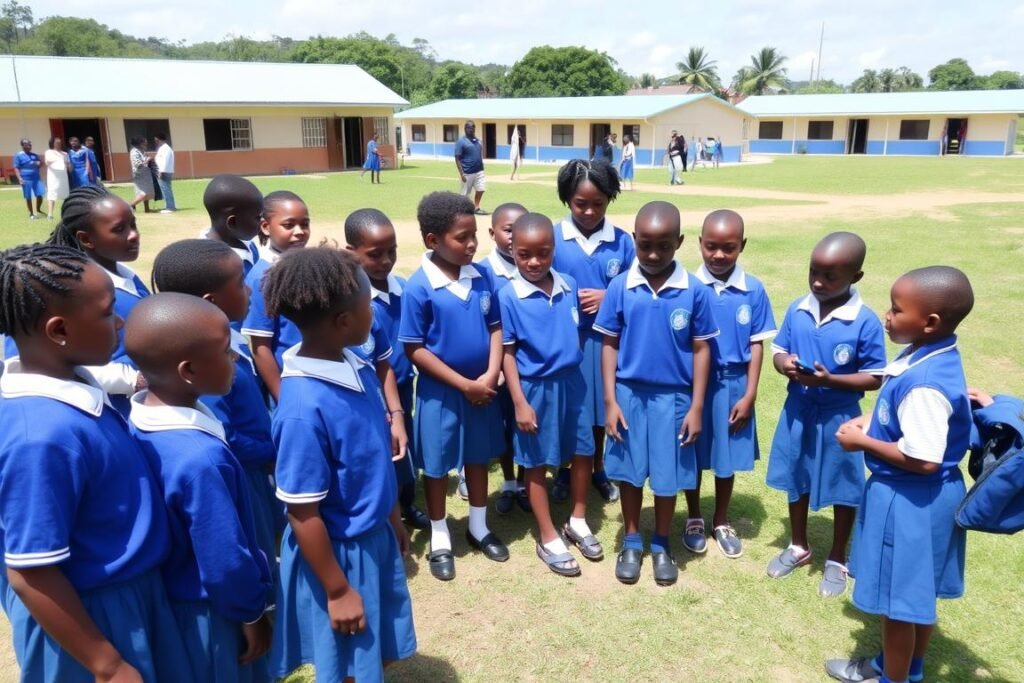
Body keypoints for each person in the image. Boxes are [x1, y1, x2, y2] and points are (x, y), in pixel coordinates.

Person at [0, 243, 188, 682]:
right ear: (60, 330)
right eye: (107, 314)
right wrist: (107, 664)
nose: (121, 321)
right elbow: (32, 571)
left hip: (131, 598)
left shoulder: (77, 388)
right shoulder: (41, 438)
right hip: (90, 619)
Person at [264, 247, 417, 681]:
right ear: (344, 322)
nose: (375, 311)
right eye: (368, 305)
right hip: (338, 555)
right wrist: (337, 589)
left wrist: (392, 517)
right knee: (348, 661)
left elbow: (372, 462)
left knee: (377, 648)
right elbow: (301, 510)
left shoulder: (355, 363)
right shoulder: (302, 407)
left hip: (373, 535)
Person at [826, 267, 975, 683]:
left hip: (910, 499)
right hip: (928, 496)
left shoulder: (926, 382)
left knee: (896, 606)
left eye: (896, 309)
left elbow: (923, 457)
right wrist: (871, 420)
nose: (887, 316)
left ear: (929, 322)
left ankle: (890, 678)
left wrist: (864, 443)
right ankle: (908, 670)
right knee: (917, 597)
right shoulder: (929, 353)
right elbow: (903, 409)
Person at [126, 293, 274, 682]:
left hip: (180, 605)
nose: (236, 359)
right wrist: (252, 613)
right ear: (188, 371)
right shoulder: (199, 459)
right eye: (226, 352)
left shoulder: (137, 422)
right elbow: (224, 557)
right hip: (213, 615)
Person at [150, 239, 284, 612]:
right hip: (244, 473)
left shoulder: (228, 340)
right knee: (253, 539)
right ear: (211, 301)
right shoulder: (204, 365)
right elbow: (225, 433)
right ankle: (260, 614)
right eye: (241, 284)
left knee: (267, 540)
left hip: (257, 469)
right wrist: (272, 449)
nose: (248, 289)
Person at [596, 201, 719, 586]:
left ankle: (662, 543)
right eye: (644, 245)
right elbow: (609, 345)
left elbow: (702, 348)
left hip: (674, 399)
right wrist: (611, 400)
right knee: (631, 475)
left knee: (667, 476)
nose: (652, 254)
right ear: (633, 239)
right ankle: (632, 540)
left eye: (663, 246)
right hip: (629, 394)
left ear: (679, 242)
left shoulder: (694, 291)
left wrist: (697, 406)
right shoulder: (621, 286)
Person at [766, 231, 887, 597]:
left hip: (840, 417)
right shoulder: (797, 309)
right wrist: (784, 363)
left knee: (844, 485)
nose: (818, 281)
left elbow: (874, 377)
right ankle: (798, 545)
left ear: (856, 277)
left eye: (830, 276)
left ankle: (837, 556)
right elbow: (778, 351)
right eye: (813, 272)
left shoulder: (863, 321)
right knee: (795, 474)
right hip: (798, 410)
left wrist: (830, 379)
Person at [398, 191, 508, 581]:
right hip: (442, 393)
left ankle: (478, 527)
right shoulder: (419, 287)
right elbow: (414, 348)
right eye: (462, 238)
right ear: (432, 241)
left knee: (477, 458)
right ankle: (441, 534)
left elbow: (496, 328)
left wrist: (492, 373)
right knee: (439, 465)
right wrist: (463, 384)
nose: (472, 244)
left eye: (474, 235)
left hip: (482, 389)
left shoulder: (483, 276)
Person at [500, 213, 602, 576]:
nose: (534, 262)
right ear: (512, 251)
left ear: (553, 251)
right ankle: (547, 535)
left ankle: (577, 518)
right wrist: (520, 402)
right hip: (535, 389)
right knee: (537, 460)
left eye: (543, 253)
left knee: (583, 450)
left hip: (573, 382)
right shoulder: (508, 295)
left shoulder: (570, 284)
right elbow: (507, 355)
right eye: (524, 254)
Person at [686, 210, 777, 558]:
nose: (719, 255)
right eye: (711, 247)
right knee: (691, 453)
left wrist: (751, 393)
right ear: (699, 244)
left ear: (742, 246)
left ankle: (720, 519)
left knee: (725, 457)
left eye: (729, 248)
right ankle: (693, 515)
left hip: (733, 384)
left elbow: (757, 343)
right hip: (695, 385)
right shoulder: (689, 287)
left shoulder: (752, 289)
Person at [550, 159, 635, 505]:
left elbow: (636, 288)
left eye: (597, 203)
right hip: (565, 342)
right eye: (579, 203)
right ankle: (565, 470)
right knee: (571, 409)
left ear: (610, 199)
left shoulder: (623, 242)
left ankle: (598, 467)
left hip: (606, 343)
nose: (588, 211)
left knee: (600, 409)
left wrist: (609, 295)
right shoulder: (553, 238)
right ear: (567, 200)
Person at [345, 209, 431, 531]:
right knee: (379, 455)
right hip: (368, 393)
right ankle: (385, 511)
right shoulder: (352, 300)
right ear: (351, 253)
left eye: (391, 251)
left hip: (402, 387)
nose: (386, 260)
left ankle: (408, 503)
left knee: (404, 449)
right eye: (375, 254)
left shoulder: (405, 288)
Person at [47, 185, 150, 417]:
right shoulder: (74, 291)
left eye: (133, 224)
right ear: (86, 239)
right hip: (116, 407)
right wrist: (133, 379)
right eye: (119, 229)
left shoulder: (128, 276)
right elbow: (53, 362)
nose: (134, 235)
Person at [476, 202, 531, 515]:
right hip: (497, 367)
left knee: (524, 423)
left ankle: (525, 481)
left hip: (527, 367)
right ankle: (509, 481)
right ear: (492, 232)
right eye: (508, 229)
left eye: (521, 229)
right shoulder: (483, 273)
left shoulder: (537, 267)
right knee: (503, 425)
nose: (514, 236)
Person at [241, 190, 310, 400]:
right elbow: (261, 348)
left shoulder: (308, 266)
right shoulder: (263, 278)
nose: (299, 232)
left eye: (305, 224)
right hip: (291, 385)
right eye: (289, 225)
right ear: (265, 227)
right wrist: (283, 398)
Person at [202, 174, 264, 278]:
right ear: (232, 223)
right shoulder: (214, 264)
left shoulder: (249, 245)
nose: (262, 221)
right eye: (257, 217)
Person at [454, 120, 488, 215]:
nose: (471, 129)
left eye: (473, 127)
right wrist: (461, 173)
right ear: (465, 129)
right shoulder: (461, 142)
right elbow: (457, 158)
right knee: (464, 194)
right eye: (469, 127)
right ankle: (461, 211)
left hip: (479, 171)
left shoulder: (477, 141)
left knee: (481, 189)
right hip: (467, 172)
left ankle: (476, 208)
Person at [13, 138, 45, 219]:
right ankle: (31, 213)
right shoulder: (18, 155)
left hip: (36, 178)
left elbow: (40, 165)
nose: (29, 146)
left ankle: (38, 209)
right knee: (28, 196)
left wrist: (40, 163)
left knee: (40, 194)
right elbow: (16, 168)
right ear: (22, 145)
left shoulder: (34, 155)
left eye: (30, 144)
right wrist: (20, 178)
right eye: (27, 144)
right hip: (25, 178)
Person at [43, 136, 69, 220]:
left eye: (60, 143)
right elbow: (47, 162)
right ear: (52, 143)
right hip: (53, 176)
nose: (59, 144)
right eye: (57, 143)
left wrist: (68, 165)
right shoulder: (49, 152)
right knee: (52, 193)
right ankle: (50, 214)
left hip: (63, 176)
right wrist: (57, 160)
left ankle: (66, 212)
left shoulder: (65, 153)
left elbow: (68, 164)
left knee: (65, 194)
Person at [154, 133, 176, 213]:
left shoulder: (165, 149)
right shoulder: (163, 148)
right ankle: (169, 206)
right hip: (164, 171)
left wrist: (161, 171)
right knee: (165, 189)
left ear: (158, 139)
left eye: (156, 140)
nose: (155, 141)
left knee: (165, 189)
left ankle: (170, 207)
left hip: (164, 171)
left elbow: (165, 161)